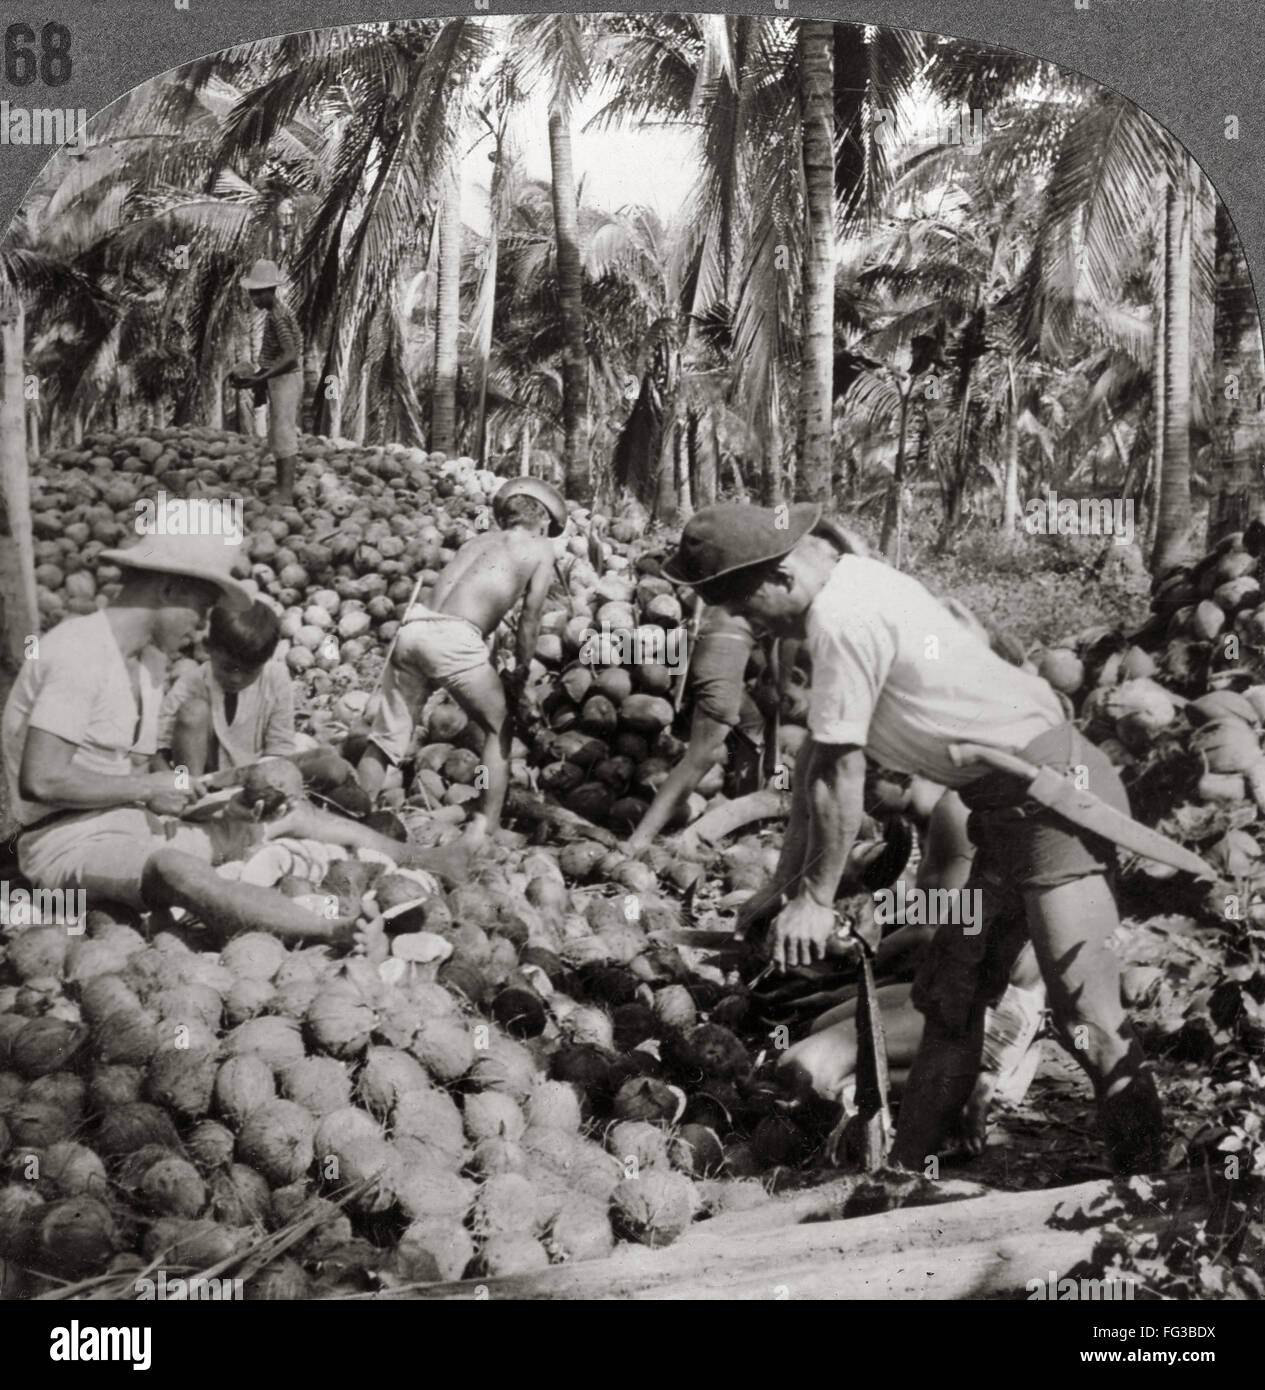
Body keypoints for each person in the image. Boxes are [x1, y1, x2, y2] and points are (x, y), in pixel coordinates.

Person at [663, 501, 1165, 1175]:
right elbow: (814, 762)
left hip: (1054, 802)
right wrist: (784, 889)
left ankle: (1147, 1189)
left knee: (1086, 1013)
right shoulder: (849, 584)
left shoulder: (841, 620)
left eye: (747, 608)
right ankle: (903, 1173)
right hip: (1004, 813)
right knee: (949, 997)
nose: (752, 626)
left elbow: (838, 772)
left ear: (779, 575)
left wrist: (816, 898)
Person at [3, 533, 465, 945]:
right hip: (62, 843)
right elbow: (41, 782)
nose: (201, 629)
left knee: (289, 814)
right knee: (172, 868)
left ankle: (422, 857)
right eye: (202, 611)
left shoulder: (148, 665)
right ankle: (331, 930)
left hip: (131, 821)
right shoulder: (78, 651)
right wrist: (150, 789)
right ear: (168, 589)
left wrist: (219, 800)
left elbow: (149, 789)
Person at [626, 518, 871, 856]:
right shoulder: (783, 586)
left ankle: (752, 808)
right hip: (722, 645)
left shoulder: (784, 586)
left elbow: (778, 636)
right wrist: (783, 684)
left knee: (756, 732)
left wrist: (778, 682)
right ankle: (639, 840)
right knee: (705, 750)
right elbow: (785, 639)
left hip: (732, 642)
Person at [357, 477, 565, 843]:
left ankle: (354, 815)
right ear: (544, 521)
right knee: (497, 728)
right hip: (455, 638)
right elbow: (531, 618)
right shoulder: (540, 547)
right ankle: (485, 825)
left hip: (414, 628)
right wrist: (521, 670)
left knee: (387, 738)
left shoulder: (478, 540)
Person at [156, 599, 295, 777]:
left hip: (254, 780)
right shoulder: (189, 684)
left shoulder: (276, 678)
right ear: (208, 648)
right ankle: (191, 796)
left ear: (264, 662)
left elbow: (280, 747)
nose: (236, 679)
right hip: (197, 783)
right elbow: (158, 752)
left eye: (249, 672)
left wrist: (266, 783)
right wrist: (180, 785)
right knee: (193, 712)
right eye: (228, 668)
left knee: (331, 766)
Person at [230, 259, 302, 506]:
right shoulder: (276, 313)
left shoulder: (278, 318)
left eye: (256, 294)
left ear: (269, 291)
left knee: (284, 434)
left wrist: (261, 377)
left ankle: (285, 493)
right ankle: (282, 487)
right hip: (278, 378)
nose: (253, 299)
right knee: (278, 434)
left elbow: (291, 357)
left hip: (285, 379)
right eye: (251, 294)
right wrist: (259, 380)